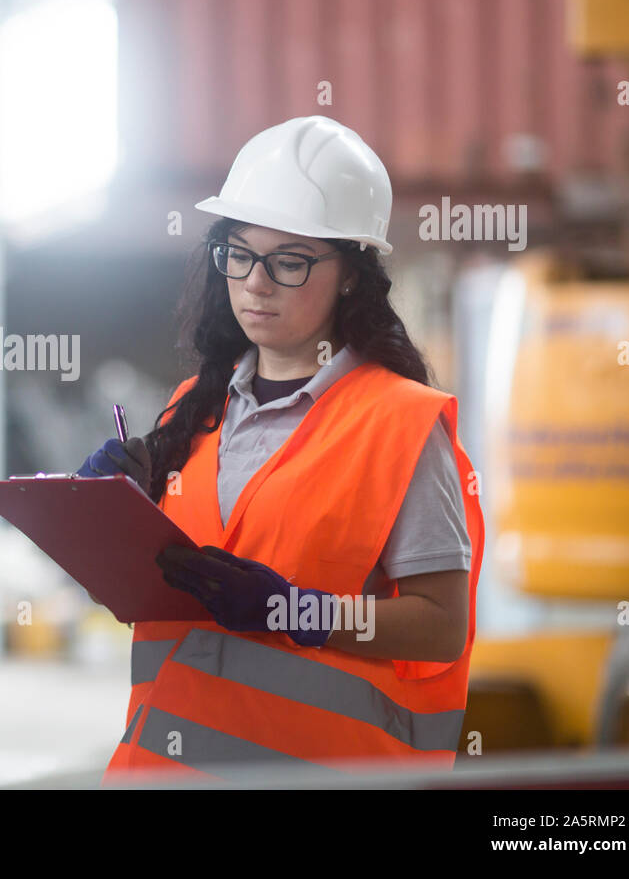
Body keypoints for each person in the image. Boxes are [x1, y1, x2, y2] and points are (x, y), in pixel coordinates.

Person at [76, 115, 484, 784]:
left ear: (351, 274)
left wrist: (296, 612)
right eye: (238, 254)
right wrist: (98, 522)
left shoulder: (398, 422)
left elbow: (441, 626)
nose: (256, 283)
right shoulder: (193, 410)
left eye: (289, 262)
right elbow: (151, 602)